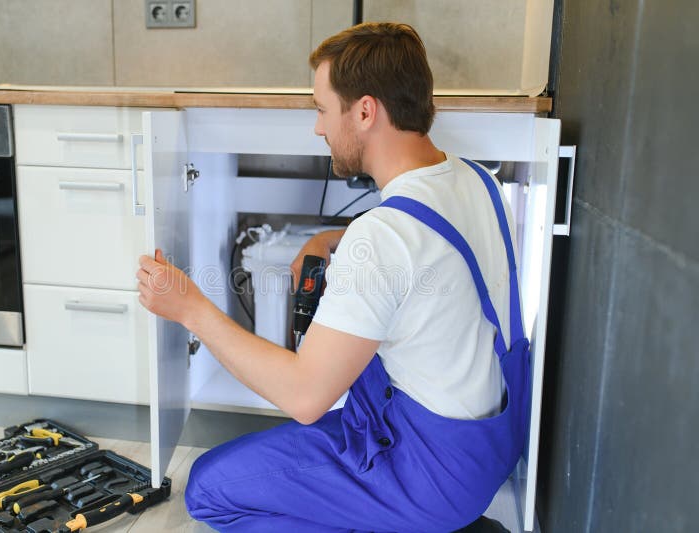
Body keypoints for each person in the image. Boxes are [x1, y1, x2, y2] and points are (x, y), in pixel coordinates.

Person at [137, 22, 529, 532]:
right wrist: (335, 238)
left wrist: (191, 309)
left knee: (210, 489)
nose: (317, 128)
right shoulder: (476, 180)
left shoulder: (382, 238)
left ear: (365, 111)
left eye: (322, 109)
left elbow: (305, 397)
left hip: (423, 475)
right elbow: (426, 247)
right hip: (486, 455)